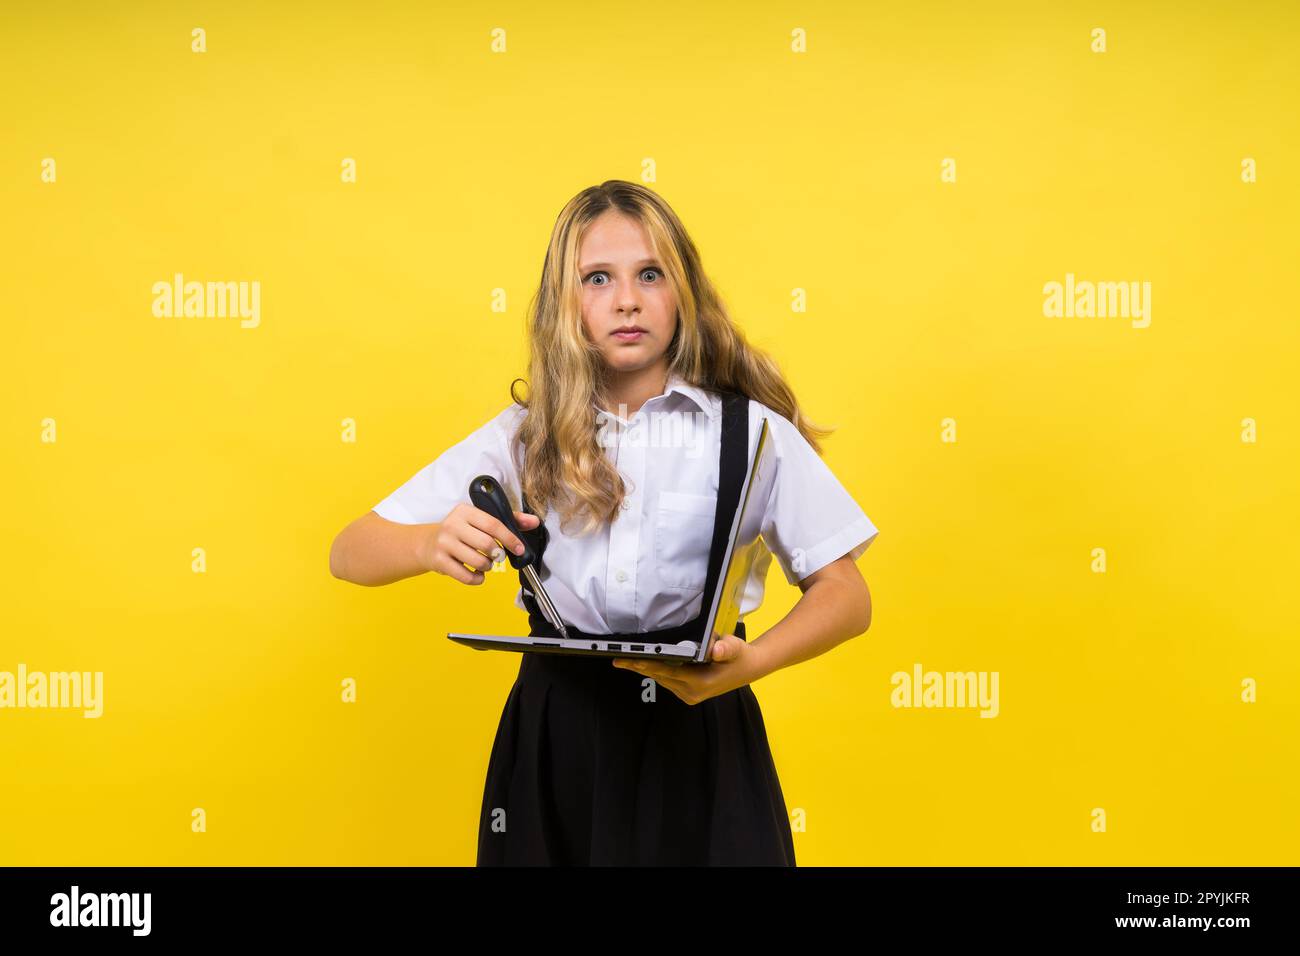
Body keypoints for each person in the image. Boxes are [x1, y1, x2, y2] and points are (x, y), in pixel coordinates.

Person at [330, 180, 879, 865]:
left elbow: (847, 594)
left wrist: (757, 662)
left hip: (704, 728)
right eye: (597, 278)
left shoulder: (749, 433)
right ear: (567, 303)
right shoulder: (522, 439)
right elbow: (348, 551)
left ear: (684, 292)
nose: (627, 299)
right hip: (556, 739)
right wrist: (426, 541)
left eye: (651, 274)